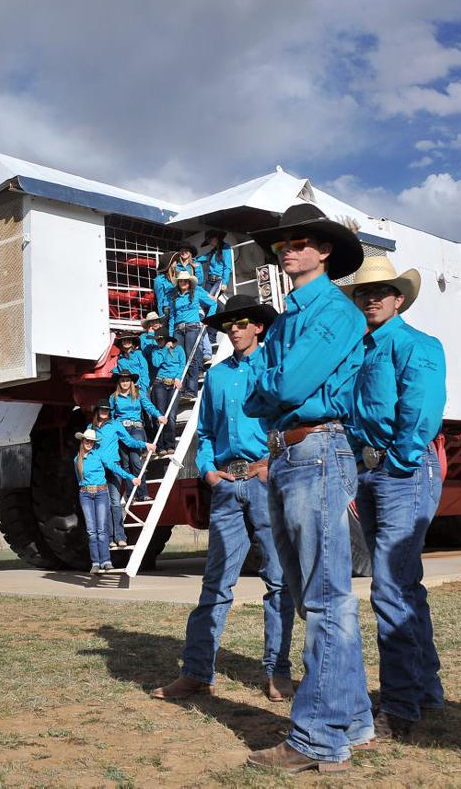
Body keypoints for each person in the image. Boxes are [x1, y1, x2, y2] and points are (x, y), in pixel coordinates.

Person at [242, 203, 371, 773]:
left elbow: (283, 381)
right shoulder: (292, 315)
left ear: (324, 252)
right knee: (316, 595)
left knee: (323, 597)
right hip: (293, 452)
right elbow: (258, 396)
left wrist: (269, 382)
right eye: (282, 244)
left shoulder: (334, 312)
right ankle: (356, 722)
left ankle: (319, 738)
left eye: (299, 242)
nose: (286, 250)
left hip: (317, 450)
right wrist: (271, 385)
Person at [151, 295, 296, 704]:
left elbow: (288, 422)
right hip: (226, 489)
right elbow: (208, 431)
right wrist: (210, 470)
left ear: (259, 328)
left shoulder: (275, 368)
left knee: (279, 581)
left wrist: (271, 463)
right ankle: (197, 673)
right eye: (228, 323)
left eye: (242, 321)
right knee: (216, 582)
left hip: (265, 483)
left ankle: (278, 671)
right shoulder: (215, 377)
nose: (233, 328)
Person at [342, 255, 447, 740]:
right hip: (373, 473)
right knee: (404, 585)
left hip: (401, 470)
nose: (372, 297)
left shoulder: (417, 344)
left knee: (389, 585)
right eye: (365, 292)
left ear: (399, 297)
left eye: (382, 291)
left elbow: (421, 408)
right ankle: (424, 690)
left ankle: (401, 705)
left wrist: (397, 462)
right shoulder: (360, 351)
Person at [87, 400, 153, 549]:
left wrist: (145, 445)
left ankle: (120, 537)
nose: (104, 412)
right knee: (104, 504)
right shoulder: (90, 429)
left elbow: (129, 441)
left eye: (107, 410)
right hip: (98, 470)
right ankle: (109, 538)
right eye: (101, 409)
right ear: (97, 411)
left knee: (115, 502)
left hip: (114, 467)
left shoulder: (115, 425)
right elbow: (84, 450)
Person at [74, 428, 140, 573]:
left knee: (102, 529)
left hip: (101, 493)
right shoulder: (77, 460)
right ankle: (95, 563)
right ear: (82, 441)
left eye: (91, 441)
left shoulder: (99, 455)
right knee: (91, 530)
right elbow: (80, 480)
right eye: (87, 440)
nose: (89, 443)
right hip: (85, 494)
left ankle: (106, 560)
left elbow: (114, 468)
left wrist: (131, 477)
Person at [109, 371, 165, 501]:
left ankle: (143, 493)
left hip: (136, 428)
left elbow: (148, 406)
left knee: (135, 460)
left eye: (127, 380)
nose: (125, 383)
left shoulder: (138, 394)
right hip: (121, 430)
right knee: (126, 463)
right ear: (119, 382)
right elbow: (110, 417)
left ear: (131, 382)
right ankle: (131, 494)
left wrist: (159, 415)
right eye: (122, 381)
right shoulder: (114, 397)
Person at [168, 270, 217, 401]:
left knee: (191, 357)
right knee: (180, 359)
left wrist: (208, 320)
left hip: (192, 327)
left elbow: (213, 303)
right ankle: (182, 388)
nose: (183, 283)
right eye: (181, 281)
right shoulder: (174, 298)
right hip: (178, 329)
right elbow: (172, 318)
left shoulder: (197, 293)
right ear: (178, 283)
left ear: (189, 282)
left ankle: (191, 389)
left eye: (185, 281)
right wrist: (170, 337)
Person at [197, 230, 233, 364]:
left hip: (218, 281)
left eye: (212, 239)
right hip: (209, 281)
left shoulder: (226, 248)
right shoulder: (212, 252)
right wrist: (192, 260)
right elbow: (203, 258)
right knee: (207, 305)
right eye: (209, 240)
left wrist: (224, 282)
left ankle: (211, 335)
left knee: (211, 303)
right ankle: (212, 332)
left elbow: (228, 267)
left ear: (218, 238)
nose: (211, 242)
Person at [150, 333, 186, 455]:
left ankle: (170, 444)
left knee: (171, 416)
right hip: (160, 383)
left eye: (161, 339)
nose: (159, 341)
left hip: (173, 384)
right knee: (160, 415)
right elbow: (156, 363)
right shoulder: (156, 351)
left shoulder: (179, 349)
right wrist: (164, 349)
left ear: (167, 339)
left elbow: (182, 364)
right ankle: (160, 446)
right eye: (158, 340)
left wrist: (178, 377)